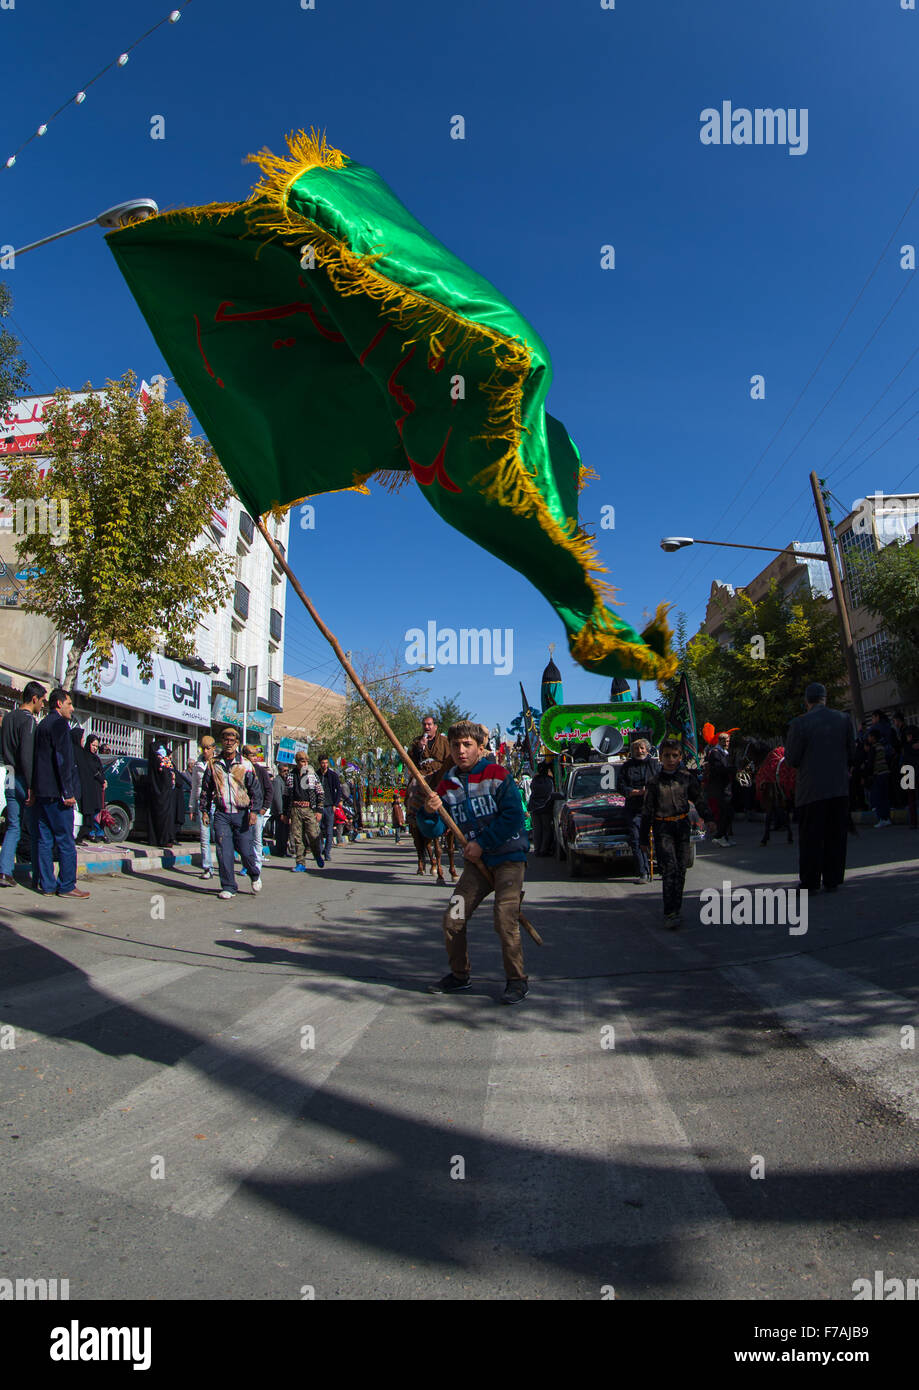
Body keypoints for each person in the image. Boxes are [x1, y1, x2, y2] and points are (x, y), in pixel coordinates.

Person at [418, 720, 531, 1004]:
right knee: (452, 918)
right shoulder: (447, 785)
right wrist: (429, 812)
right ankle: (460, 976)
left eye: (467, 745)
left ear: (480, 747)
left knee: (505, 917)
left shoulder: (497, 774)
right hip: (476, 868)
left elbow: (514, 816)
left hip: (508, 860)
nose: (461, 750)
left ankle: (517, 980)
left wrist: (483, 843)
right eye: (455, 745)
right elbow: (433, 830)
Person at [784, 682, 856, 893]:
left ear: (807, 701)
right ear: (825, 698)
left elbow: (792, 759)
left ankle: (810, 882)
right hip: (839, 788)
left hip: (811, 791)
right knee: (836, 835)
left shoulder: (800, 723)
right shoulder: (843, 719)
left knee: (811, 838)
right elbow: (852, 753)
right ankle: (833, 879)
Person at [28, 688, 90, 899]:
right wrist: (68, 791)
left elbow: (37, 760)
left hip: (43, 792)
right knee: (65, 840)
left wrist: (34, 788)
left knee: (44, 840)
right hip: (57, 793)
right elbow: (62, 759)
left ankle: (46, 884)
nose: (72, 708)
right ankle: (66, 885)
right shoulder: (60, 724)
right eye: (69, 704)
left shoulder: (42, 724)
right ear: (59, 704)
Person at [640, 738, 702, 929]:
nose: (671, 759)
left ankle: (677, 908)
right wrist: (644, 838)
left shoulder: (686, 778)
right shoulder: (654, 782)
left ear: (680, 756)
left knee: (681, 870)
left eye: (675, 755)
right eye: (667, 755)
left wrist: (709, 819)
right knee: (669, 869)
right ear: (660, 757)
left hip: (682, 826)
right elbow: (647, 811)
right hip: (663, 828)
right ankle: (670, 912)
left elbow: (699, 799)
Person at [199, 727, 263, 898]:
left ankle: (254, 874)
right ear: (221, 742)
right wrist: (204, 810)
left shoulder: (245, 764)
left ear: (237, 743)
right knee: (223, 851)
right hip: (221, 814)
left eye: (232, 740)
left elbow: (255, 791)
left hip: (241, 814)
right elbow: (206, 789)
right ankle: (228, 886)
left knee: (245, 849)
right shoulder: (213, 764)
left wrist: (254, 811)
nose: (228, 743)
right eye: (225, 740)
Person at [0, 679, 46, 886]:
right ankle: (38, 873)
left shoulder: (8, 717)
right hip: (21, 777)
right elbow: (27, 755)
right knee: (33, 826)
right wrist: (30, 785)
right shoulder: (28, 721)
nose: (43, 705)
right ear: (34, 699)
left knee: (12, 826)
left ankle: (4, 871)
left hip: (8, 774)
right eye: (42, 701)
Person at [619, 738, 661, 882]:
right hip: (634, 808)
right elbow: (621, 786)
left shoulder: (655, 765)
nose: (640, 751)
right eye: (637, 749)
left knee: (660, 838)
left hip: (655, 808)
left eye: (642, 748)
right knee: (637, 840)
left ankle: (662, 868)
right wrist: (636, 792)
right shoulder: (626, 767)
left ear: (647, 750)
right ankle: (643, 872)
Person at [288, 751, 325, 872]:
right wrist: (286, 813)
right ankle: (300, 862)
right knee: (297, 837)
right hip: (295, 809)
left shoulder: (311, 775)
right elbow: (287, 795)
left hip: (309, 809)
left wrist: (319, 810)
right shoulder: (291, 775)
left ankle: (317, 854)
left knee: (313, 835)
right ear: (297, 762)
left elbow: (320, 793)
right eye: (302, 761)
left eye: (306, 761)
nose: (305, 763)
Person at [243, 744, 275, 872]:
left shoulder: (261, 771)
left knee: (256, 838)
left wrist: (264, 807)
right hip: (244, 809)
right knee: (245, 839)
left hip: (257, 811)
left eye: (255, 755)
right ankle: (246, 865)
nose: (254, 758)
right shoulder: (240, 769)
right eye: (252, 755)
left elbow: (269, 790)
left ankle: (256, 865)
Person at [189, 735, 217, 878]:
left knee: (220, 836)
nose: (205, 751)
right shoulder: (197, 765)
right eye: (203, 748)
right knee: (204, 837)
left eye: (208, 748)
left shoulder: (219, 763)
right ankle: (207, 868)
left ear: (213, 748)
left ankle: (224, 866)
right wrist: (192, 807)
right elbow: (194, 787)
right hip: (203, 804)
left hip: (218, 804)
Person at [147, 740, 178, 849]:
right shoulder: (157, 763)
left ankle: (164, 838)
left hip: (164, 794)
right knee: (163, 817)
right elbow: (164, 776)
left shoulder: (162, 762)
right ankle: (163, 839)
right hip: (161, 794)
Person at [527, 759, 559, 857]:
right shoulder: (549, 781)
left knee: (537, 830)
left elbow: (533, 790)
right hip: (545, 808)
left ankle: (537, 850)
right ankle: (543, 850)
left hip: (534, 808)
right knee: (546, 829)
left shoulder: (535, 780)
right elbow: (550, 793)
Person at [79, 732, 107, 841]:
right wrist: (101, 779)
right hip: (88, 787)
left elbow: (100, 770)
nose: (95, 748)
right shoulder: (85, 756)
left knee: (97, 810)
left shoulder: (96, 758)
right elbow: (93, 770)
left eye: (96, 746)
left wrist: (103, 780)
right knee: (90, 811)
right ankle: (90, 832)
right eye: (93, 745)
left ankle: (99, 832)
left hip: (97, 788)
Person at [410, 715, 452, 783]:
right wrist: (419, 748)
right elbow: (411, 759)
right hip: (422, 774)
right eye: (424, 724)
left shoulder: (444, 741)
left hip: (439, 774)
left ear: (435, 727)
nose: (426, 727)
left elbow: (449, 759)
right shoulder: (417, 741)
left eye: (429, 724)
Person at [317, 754, 342, 861]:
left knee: (329, 831)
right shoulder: (315, 775)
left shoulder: (333, 775)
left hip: (329, 806)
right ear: (320, 763)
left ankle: (327, 852)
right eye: (323, 763)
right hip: (318, 807)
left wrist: (335, 804)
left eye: (326, 763)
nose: (325, 765)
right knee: (317, 831)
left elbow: (338, 790)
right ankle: (319, 849)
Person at [864, 729, 892, 827]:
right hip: (885, 772)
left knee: (878, 797)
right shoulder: (881, 746)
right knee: (885, 797)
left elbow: (871, 764)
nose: (868, 738)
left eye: (869, 736)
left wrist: (867, 774)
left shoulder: (873, 748)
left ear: (873, 737)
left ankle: (881, 818)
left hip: (878, 774)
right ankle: (887, 818)